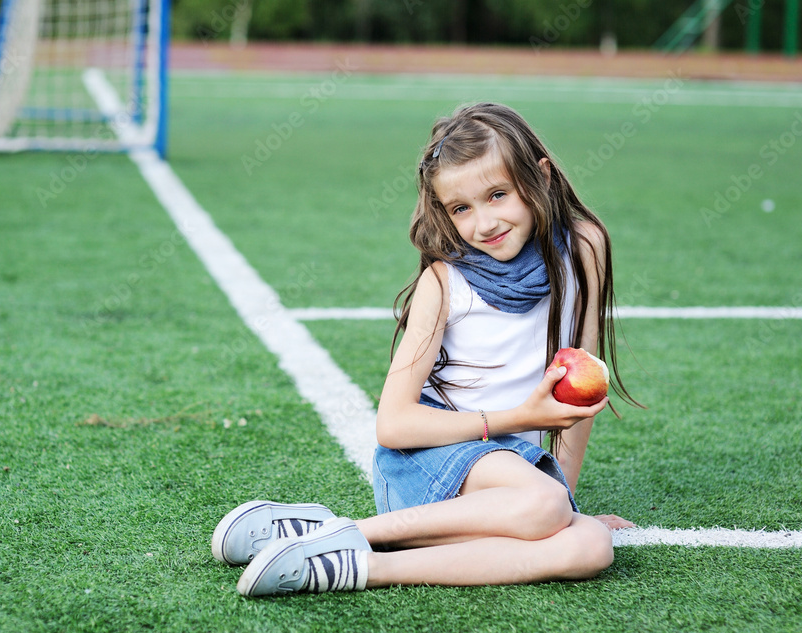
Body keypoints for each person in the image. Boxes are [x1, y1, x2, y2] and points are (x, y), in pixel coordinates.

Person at [211, 102, 640, 597]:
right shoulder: (446, 280)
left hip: (512, 473)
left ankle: (351, 565)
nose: (483, 223)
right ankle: (347, 531)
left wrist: (564, 495)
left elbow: (580, 392)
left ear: (540, 177)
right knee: (547, 508)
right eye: (461, 208)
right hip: (428, 461)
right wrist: (520, 421)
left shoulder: (585, 246)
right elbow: (393, 427)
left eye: (497, 194)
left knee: (588, 547)